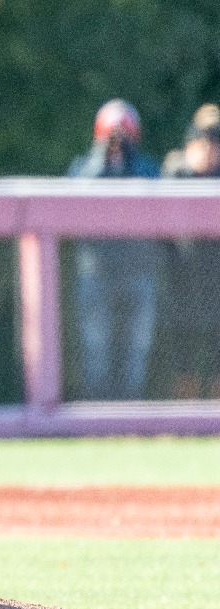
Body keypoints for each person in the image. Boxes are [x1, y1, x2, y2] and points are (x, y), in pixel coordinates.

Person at [67, 98, 163, 400]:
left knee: (136, 346)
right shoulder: (84, 167)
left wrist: (129, 159)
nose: (118, 142)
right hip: (97, 271)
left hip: (137, 270)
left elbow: (156, 194)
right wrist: (100, 158)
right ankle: (97, 408)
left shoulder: (145, 167)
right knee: (97, 345)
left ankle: (131, 408)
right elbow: (72, 199)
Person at [162, 106, 220, 397]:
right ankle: (182, 414)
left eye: (214, 143)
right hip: (182, 274)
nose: (209, 148)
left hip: (216, 276)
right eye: (203, 141)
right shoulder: (177, 171)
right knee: (182, 346)